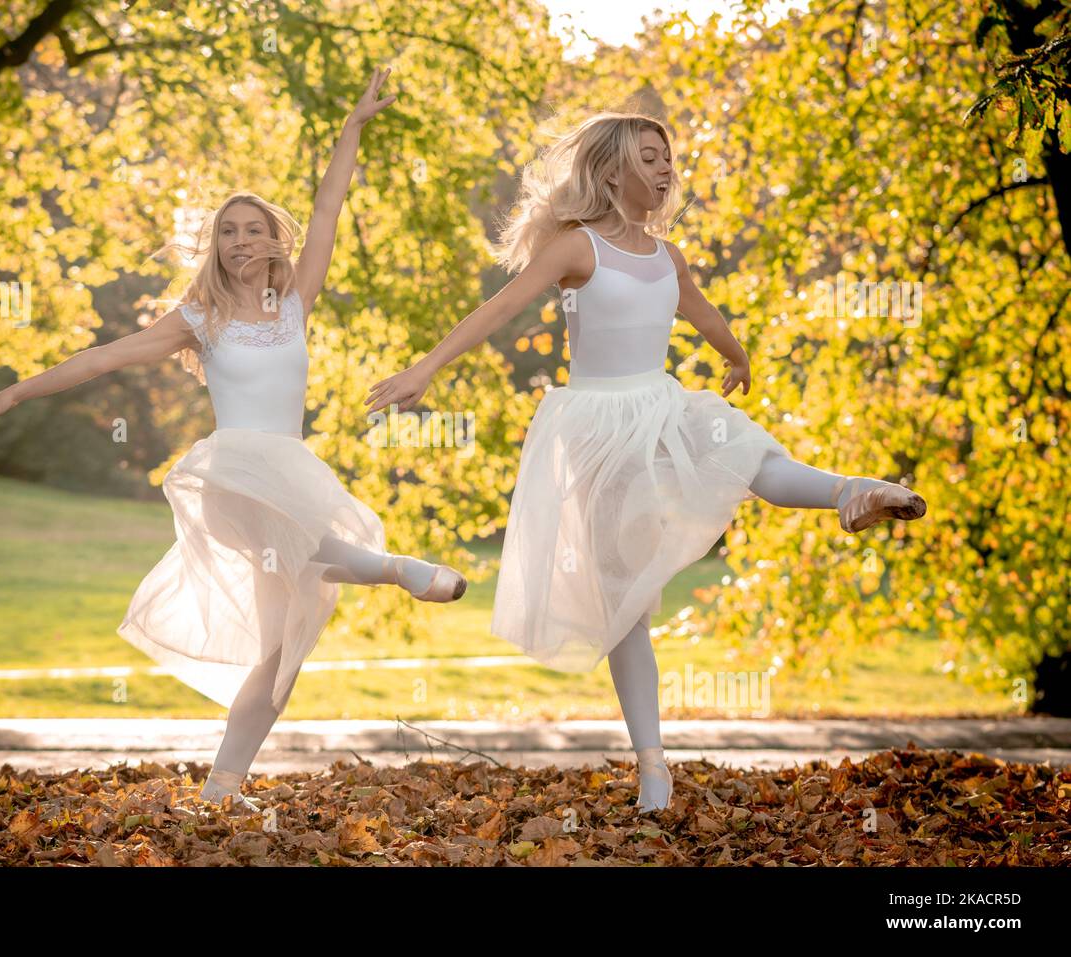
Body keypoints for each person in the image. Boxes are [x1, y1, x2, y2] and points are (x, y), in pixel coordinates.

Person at [365, 111, 926, 812]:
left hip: (663, 407)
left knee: (750, 454)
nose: (666, 170)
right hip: (598, 432)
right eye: (651, 158)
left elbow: (699, 309)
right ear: (612, 172)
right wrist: (426, 369)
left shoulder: (669, 254)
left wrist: (735, 353)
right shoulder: (577, 247)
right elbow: (499, 307)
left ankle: (856, 491)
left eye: (669, 158)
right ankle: (653, 765)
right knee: (625, 603)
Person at [0, 67, 465, 813]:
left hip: (288, 477)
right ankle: (397, 569)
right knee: (319, 559)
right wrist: (17, 389)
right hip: (235, 476)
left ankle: (222, 789)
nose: (239, 240)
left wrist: (353, 125)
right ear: (215, 246)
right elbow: (102, 356)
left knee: (279, 655)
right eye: (227, 231)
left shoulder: (294, 301)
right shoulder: (199, 319)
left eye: (252, 229)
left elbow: (331, 206)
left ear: (272, 242)